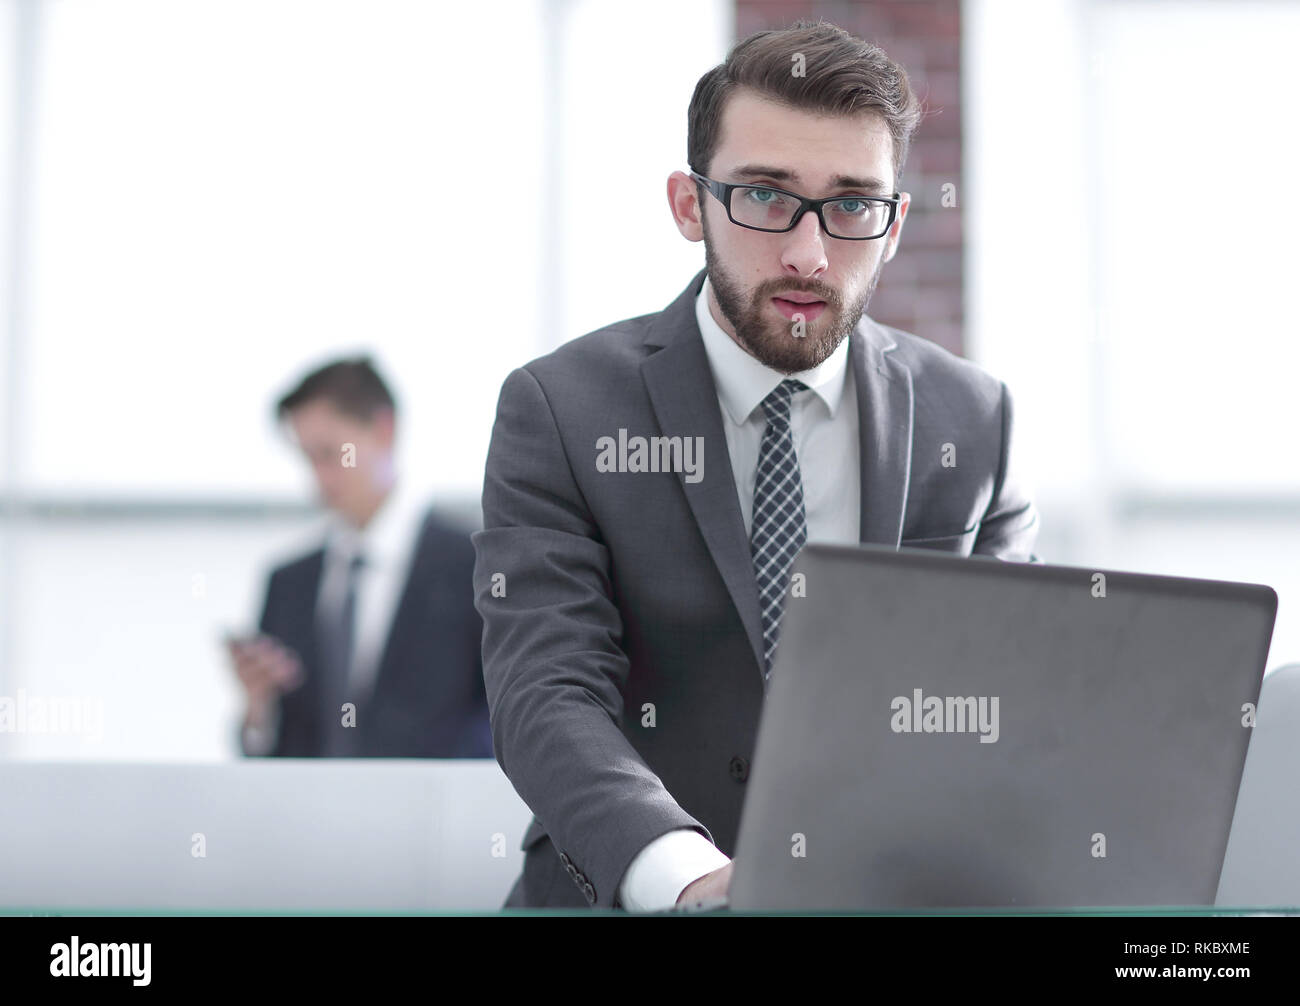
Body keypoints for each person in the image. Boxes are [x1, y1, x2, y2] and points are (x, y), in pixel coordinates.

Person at [474, 21, 1040, 910]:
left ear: (893, 226)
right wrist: (686, 877)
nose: (809, 255)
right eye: (767, 198)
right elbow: (546, 689)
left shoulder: (974, 421)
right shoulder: (562, 410)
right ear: (688, 204)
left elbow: (1009, 699)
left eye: (852, 205)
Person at [230, 356, 490, 759]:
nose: (319, 480)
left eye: (330, 454)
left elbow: (500, 727)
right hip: (313, 817)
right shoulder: (288, 583)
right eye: (307, 458)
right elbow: (279, 756)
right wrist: (258, 709)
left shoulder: (474, 567)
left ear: (384, 430)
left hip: (438, 817)